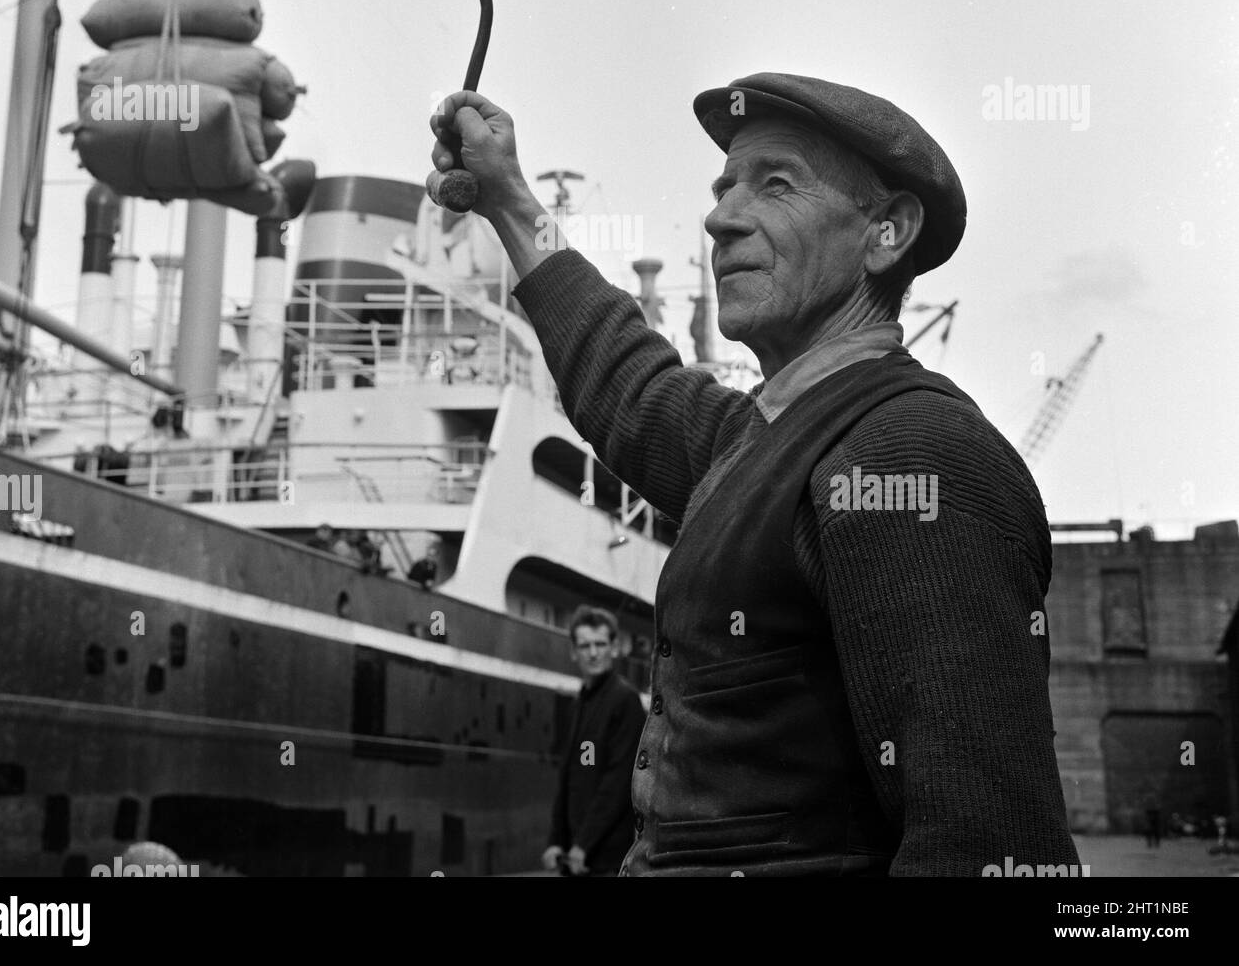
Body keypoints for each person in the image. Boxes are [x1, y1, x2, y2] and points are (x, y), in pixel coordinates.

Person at [429, 72, 1080, 876]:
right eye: (723, 186)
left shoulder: (914, 455)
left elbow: (987, 844)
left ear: (887, 232)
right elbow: (626, 380)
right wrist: (509, 199)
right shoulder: (763, 440)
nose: (720, 216)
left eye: (776, 184)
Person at [542, 606, 646, 877]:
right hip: (575, 856)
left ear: (614, 648)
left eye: (600, 644)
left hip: (604, 857)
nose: (593, 652)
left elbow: (618, 782)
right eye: (585, 645)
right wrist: (556, 840)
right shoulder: (579, 704)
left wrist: (583, 845)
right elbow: (567, 778)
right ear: (573, 652)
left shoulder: (625, 701)